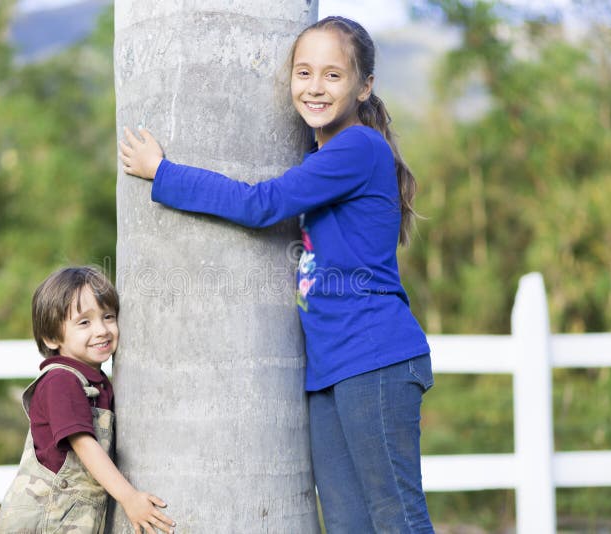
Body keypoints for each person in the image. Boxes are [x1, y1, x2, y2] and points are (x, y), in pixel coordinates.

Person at [118, 15, 434, 533]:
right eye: (303, 72)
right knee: (350, 525)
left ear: (364, 86)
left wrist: (164, 172)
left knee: (395, 518)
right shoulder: (323, 154)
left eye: (333, 75)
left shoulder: (356, 148)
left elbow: (262, 204)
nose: (314, 86)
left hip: (373, 355)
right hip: (332, 365)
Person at [0, 266, 175, 534]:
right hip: (48, 522)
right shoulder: (61, 381)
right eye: (84, 322)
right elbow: (84, 444)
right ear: (52, 337)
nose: (102, 330)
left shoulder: (97, 382)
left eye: (108, 317)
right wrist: (129, 498)